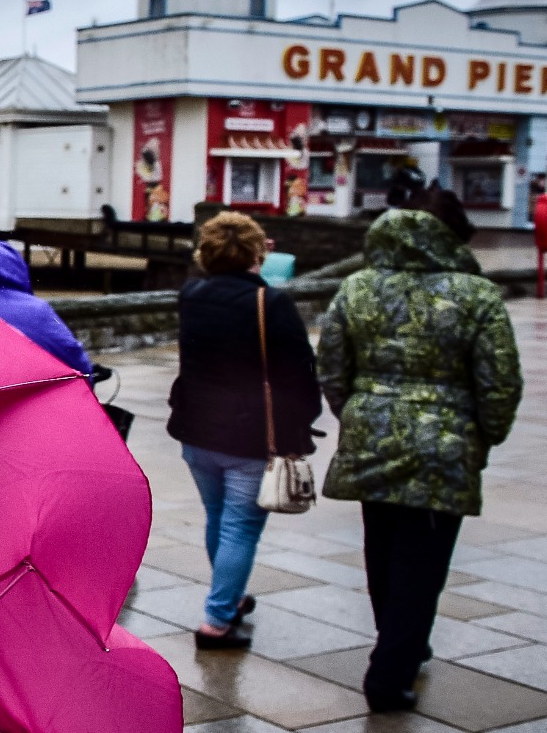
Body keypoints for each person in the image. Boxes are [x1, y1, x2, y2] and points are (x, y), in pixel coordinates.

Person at [318, 190, 520, 713]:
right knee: (422, 564)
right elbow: (499, 382)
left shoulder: (357, 287)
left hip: (371, 434)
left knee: (382, 552)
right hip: (443, 446)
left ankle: (398, 641)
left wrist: (359, 413)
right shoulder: (477, 295)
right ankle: (390, 674)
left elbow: (332, 367)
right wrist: (485, 436)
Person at [166, 211, 321, 650]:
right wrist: (302, 425)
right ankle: (217, 621)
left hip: (197, 429)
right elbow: (299, 373)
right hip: (250, 436)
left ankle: (230, 598)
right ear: (257, 252)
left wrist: (247, 256)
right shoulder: (271, 303)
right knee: (239, 527)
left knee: (219, 518)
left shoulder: (192, 294)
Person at [0, 240, 92, 378]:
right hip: (27, 386)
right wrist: (88, 378)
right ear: (17, 268)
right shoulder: (37, 310)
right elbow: (71, 353)